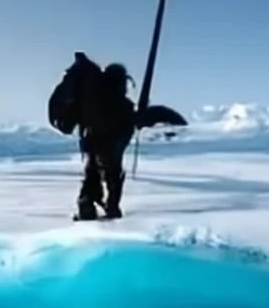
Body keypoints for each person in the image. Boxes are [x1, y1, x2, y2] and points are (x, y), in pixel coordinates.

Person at [48, 52, 186, 221]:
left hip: (91, 139)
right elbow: (139, 119)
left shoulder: (94, 99)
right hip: (111, 144)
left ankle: (88, 204)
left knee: (92, 171)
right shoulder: (121, 104)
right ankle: (108, 206)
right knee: (112, 173)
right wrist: (147, 114)